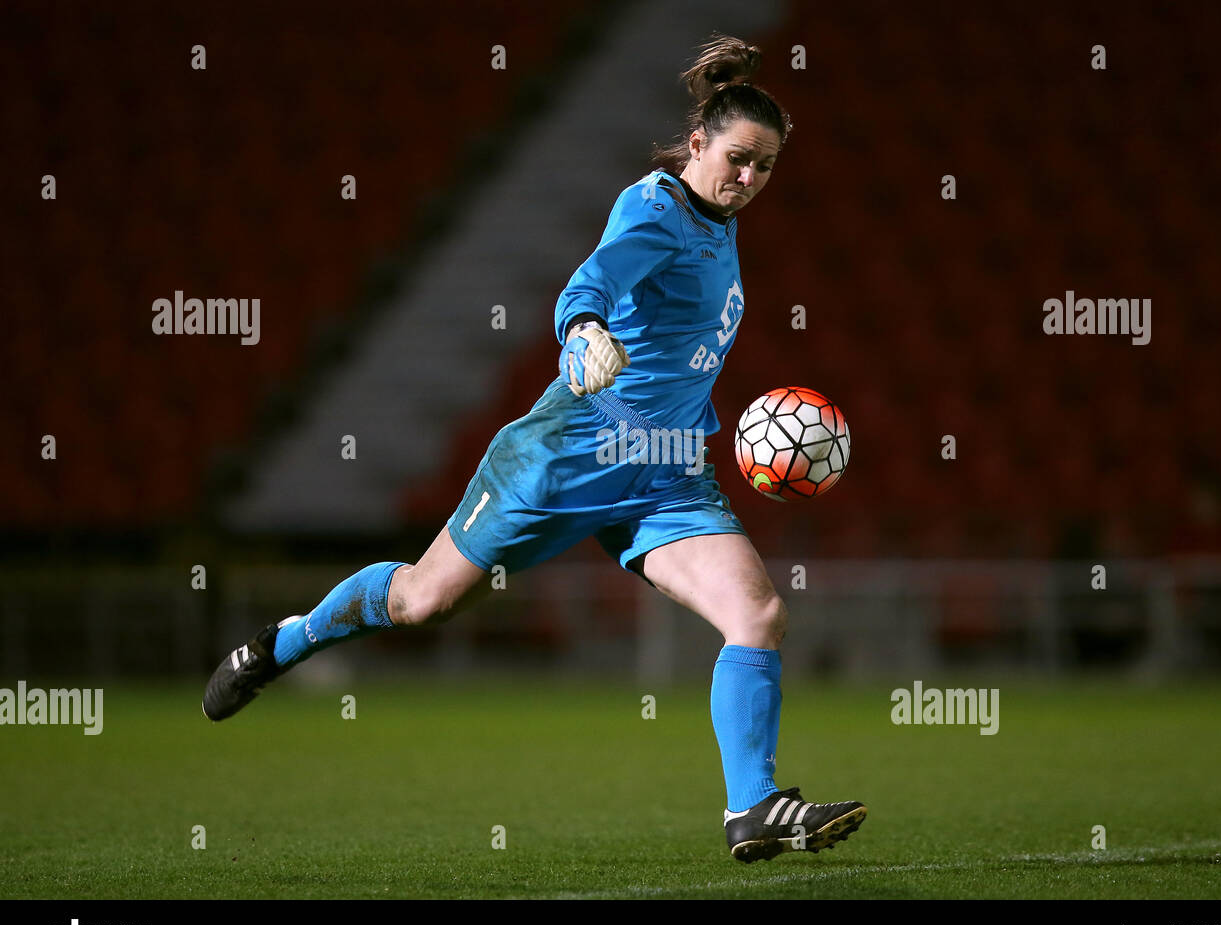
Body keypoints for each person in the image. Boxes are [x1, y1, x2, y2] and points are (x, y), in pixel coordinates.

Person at [203, 34, 866, 864]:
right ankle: (282, 644)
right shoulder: (655, 208)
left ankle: (753, 807)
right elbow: (588, 284)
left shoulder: (717, 223)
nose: (749, 179)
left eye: (765, 167)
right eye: (738, 159)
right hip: (565, 456)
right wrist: (583, 331)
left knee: (758, 613)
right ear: (698, 143)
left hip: (666, 475)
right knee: (423, 601)